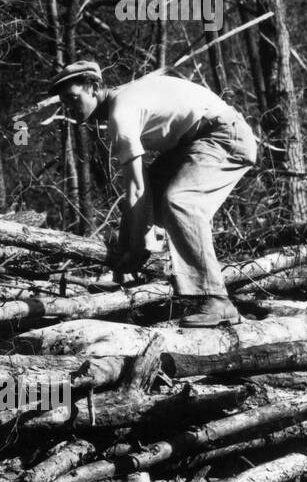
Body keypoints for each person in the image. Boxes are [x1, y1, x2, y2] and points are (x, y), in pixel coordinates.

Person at [52, 60, 257, 327]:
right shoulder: (123, 102)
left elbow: (136, 189)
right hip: (195, 141)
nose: (69, 106)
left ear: (94, 87)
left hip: (224, 136)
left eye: (73, 97)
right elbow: (140, 191)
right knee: (151, 196)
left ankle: (215, 300)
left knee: (181, 201)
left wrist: (136, 245)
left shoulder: (120, 114)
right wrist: (130, 244)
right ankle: (140, 274)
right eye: (64, 101)